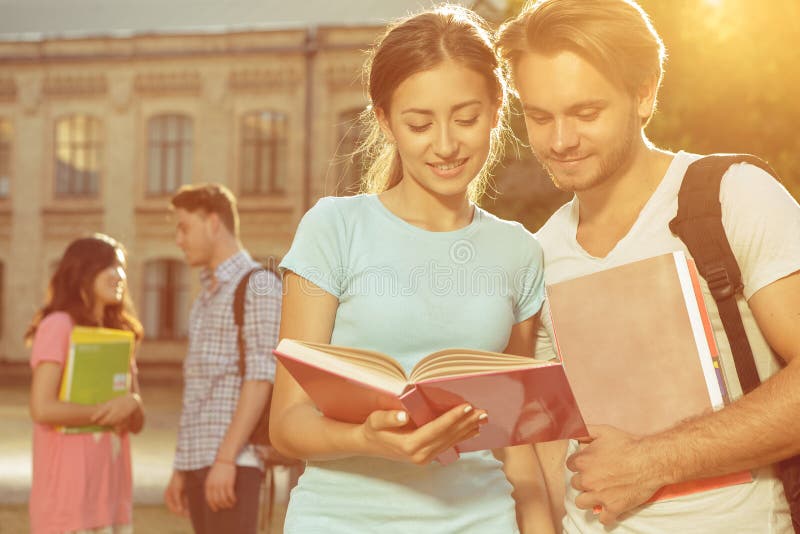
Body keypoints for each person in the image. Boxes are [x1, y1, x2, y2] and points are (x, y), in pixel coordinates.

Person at [497, 0, 800, 531]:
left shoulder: (731, 198)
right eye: (539, 116)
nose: (560, 140)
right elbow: (549, 447)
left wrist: (650, 461)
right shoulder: (536, 257)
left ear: (644, 93)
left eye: (586, 113)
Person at [269, 5, 555, 533]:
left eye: (466, 119)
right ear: (384, 121)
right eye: (419, 124)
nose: (445, 145)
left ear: (497, 110)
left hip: (481, 519)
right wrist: (365, 439)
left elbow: (517, 439)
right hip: (340, 520)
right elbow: (287, 424)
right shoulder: (334, 228)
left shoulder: (520, 252)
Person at [163, 183, 280, 534]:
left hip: (235, 465)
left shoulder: (258, 286)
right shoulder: (205, 296)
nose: (178, 239)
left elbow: (261, 377)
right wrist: (182, 468)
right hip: (201, 462)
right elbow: (199, 389)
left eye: (184, 227)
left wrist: (226, 459)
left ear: (213, 223)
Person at [27, 234, 145, 534]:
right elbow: (42, 408)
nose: (120, 275)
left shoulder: (119, 333)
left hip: (110, 492)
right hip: (67, 496)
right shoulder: (58, 325)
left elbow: (135, 420)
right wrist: (106, 410)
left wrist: (133, 404)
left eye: (122, 267)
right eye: (110, 266)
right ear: (84, 271)